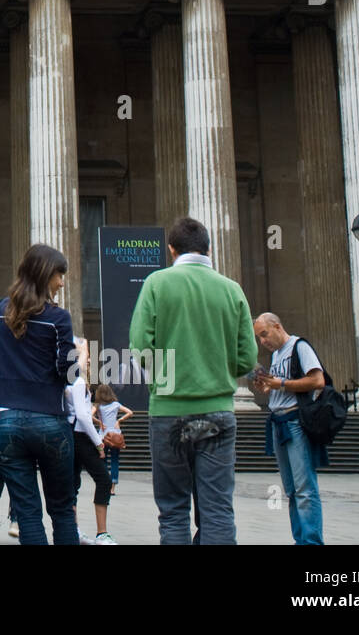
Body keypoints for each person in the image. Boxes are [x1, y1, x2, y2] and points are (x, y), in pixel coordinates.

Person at [128, 216, 257, 546]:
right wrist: (218, 370)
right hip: (217, 411)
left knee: (173, 510)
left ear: (171, 249)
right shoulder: (232, 290)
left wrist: (166, 379)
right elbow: (247, 359)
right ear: (209, 248)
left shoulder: (157, 284)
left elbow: (141, 348)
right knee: (217, 509)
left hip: (169, 411)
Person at [0, 243, 79, 545]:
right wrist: (80, 360)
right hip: (50, 419)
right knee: (63, 510)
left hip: (8, 419)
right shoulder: (58, 318)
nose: (62, 282)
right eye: (59, 275)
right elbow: (68, 373)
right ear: (44, 274)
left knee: (27, 513)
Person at [250, 312, 327, 545]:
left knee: (304, 488)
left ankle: (311, 542)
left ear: (277, 326)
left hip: (295, 422)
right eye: (259, 338)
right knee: (292, 489)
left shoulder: (299, 346)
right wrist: (270, 386)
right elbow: (283, 385)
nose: (263, 341)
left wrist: (280, 383)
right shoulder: (276, 356)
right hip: (278, 422)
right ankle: (300, 539)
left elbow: (317, 381)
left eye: (264, 334)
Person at [69, 340, 115, 544]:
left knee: (72, 483)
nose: (88, 362)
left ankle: (75, 529)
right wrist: (98, 442)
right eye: (86, 358)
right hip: (81, 436)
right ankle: (101, 533)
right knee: (104, 479)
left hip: (71, 435)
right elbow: (83, 416)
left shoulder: (69, 382)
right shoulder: (77, 382)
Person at [92, 383, 132, 491]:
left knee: (103, 460)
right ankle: (113, 488)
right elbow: (130, 412)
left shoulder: (98, 405)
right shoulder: (116, 404)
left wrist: (99, 422)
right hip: (115, 436)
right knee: (115, 460)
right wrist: (119, 420)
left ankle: (105, 484)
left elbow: (90, 415)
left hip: (103, 437)